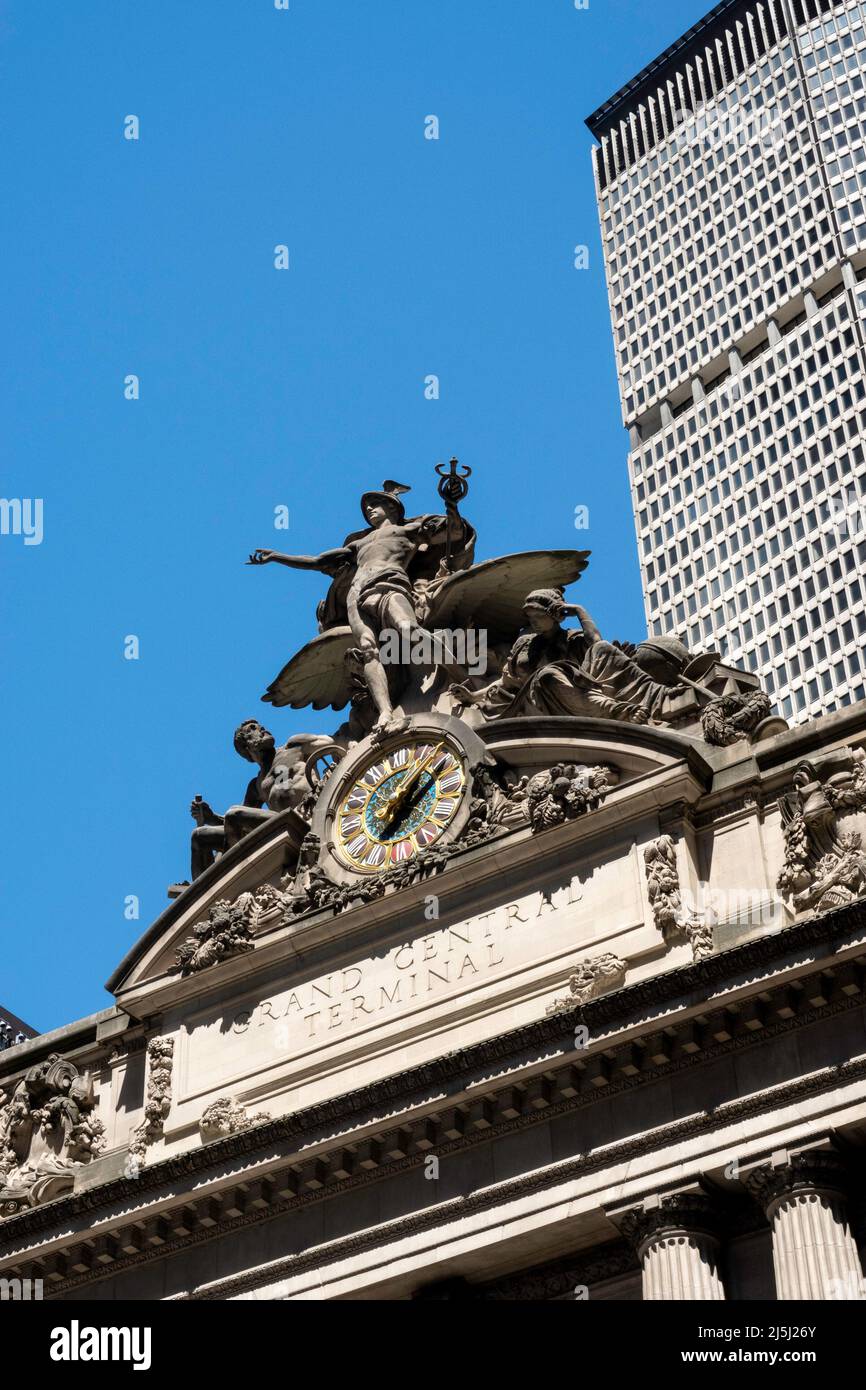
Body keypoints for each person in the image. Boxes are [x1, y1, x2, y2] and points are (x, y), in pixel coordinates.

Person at [249, 482, 471, 729]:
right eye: (366, 507)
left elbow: (455, 532)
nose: (369, 510)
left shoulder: (410, 531)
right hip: (356, 596)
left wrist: (451, 503)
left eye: (374, 504)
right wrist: (277, 556)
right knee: (368, 652)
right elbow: (317, 561)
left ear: (392, 506)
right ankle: (385, 712)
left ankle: (462, 677)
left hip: (389, 585)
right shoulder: (358, 545)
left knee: (409, 630)